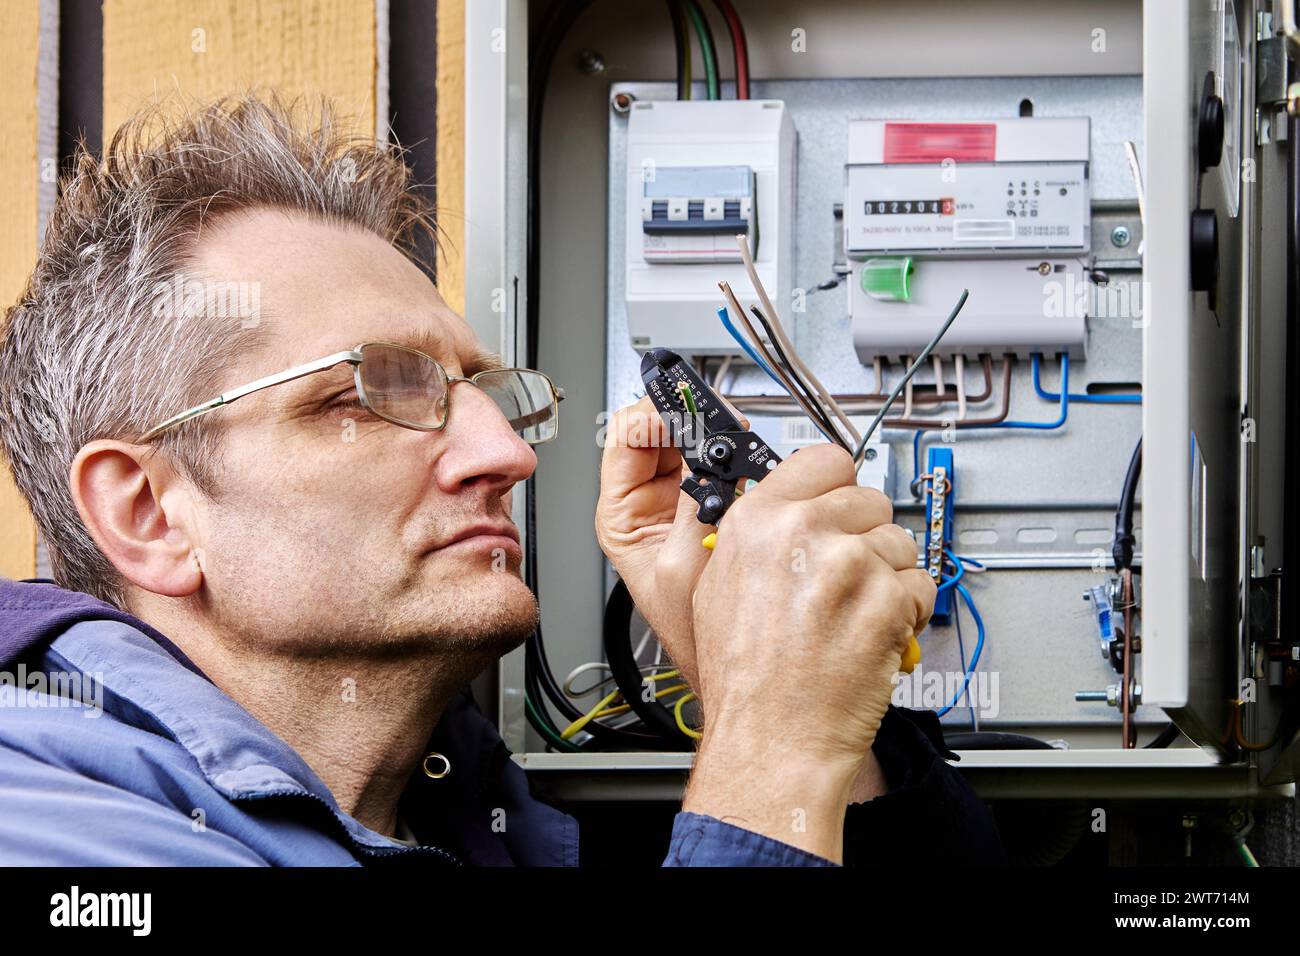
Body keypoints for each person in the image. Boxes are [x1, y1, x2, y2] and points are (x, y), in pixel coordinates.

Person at [0, 95, 1003, 866]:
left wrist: (788, 705)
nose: (508, 454)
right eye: (372, 392)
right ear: (149, 513)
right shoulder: (52, 825)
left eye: (487, 391)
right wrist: (766, 758)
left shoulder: (480, 820)